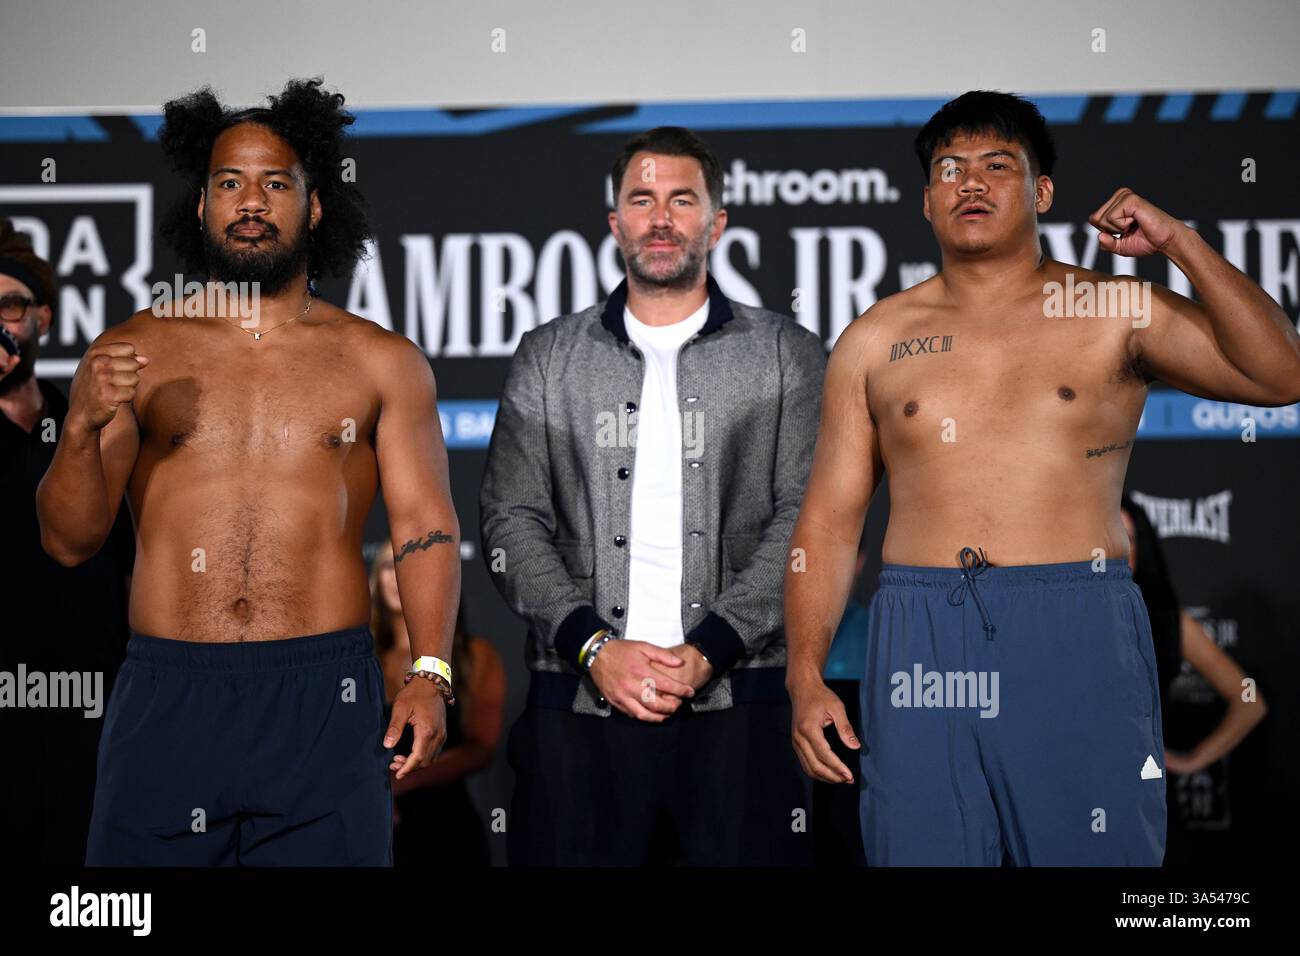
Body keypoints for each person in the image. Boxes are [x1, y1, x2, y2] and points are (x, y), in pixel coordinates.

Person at [784, 90, 1300, 866]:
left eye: (998, 165)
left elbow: (1279, 375)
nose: (971, 183)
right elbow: (827, 523)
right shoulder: (874, 339)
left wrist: (1181, 243)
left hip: (1076, 623)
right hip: (923, 636)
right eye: (949, 168)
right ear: (926, 199)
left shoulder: (1113, 309)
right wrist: (804, 671)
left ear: (1042, 191)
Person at [36, 79, 461, 866]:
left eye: (276, 183)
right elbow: (69, 540)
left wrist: (431, 672)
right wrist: (81, 428)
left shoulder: (382, 360)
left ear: (316, 206)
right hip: (168, 695)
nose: (252, 201)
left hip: (322, 697)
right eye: (230, 182)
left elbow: (426, 526)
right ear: (201, 207)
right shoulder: (137, 349)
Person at [481, 126, 826, 865]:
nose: (660, 217)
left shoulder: (786, 352)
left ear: (717, 222)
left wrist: (709, 650)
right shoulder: (547, 357)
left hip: (744, 705)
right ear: (615, 224)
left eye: (681, 199)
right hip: (577, 706)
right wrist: (596, 649)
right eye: (641, 200)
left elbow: (807, 522)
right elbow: (509, 519)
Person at [0, 220, 135, 865]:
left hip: (94, 719)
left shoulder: (93, 425)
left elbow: (135, 564)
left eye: (10, 306)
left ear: (43, 318)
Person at [1119, 495, 1268, 865]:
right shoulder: (1069, 620)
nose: (1117, 551)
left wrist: (1194, 759)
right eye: (1109, 538)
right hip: (1076, 795)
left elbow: (1249, 701)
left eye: (1129, 540)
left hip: (1145, 797)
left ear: (1143, 549)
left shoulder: (1168, 620)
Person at [370, 542, 504, 866]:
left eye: (404, 564)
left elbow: (480, 748)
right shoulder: (363, 659)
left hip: (445, 822)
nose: (395, 575)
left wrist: (403, 782)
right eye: (387, 566)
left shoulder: (474, 656)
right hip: (373, 820)